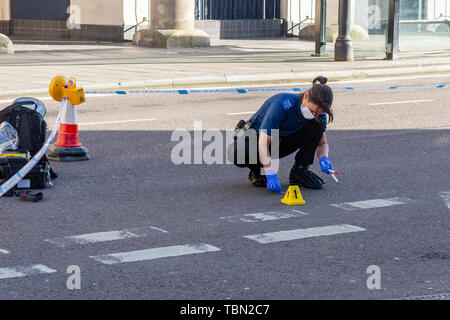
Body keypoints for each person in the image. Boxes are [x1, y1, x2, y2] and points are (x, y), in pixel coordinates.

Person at [230, 76, 335, 192]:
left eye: (318, 113)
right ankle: (259, 171)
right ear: (306, 96)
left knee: (317, 125)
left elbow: (322, 144)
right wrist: (269, 172)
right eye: (312, 110)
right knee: (236, 154)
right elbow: (263, 143)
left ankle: (300, 172)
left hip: (282, 141)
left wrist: (324, 158)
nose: (314, 114)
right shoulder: (282, 104)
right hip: (259, 140)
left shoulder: (319, 115)